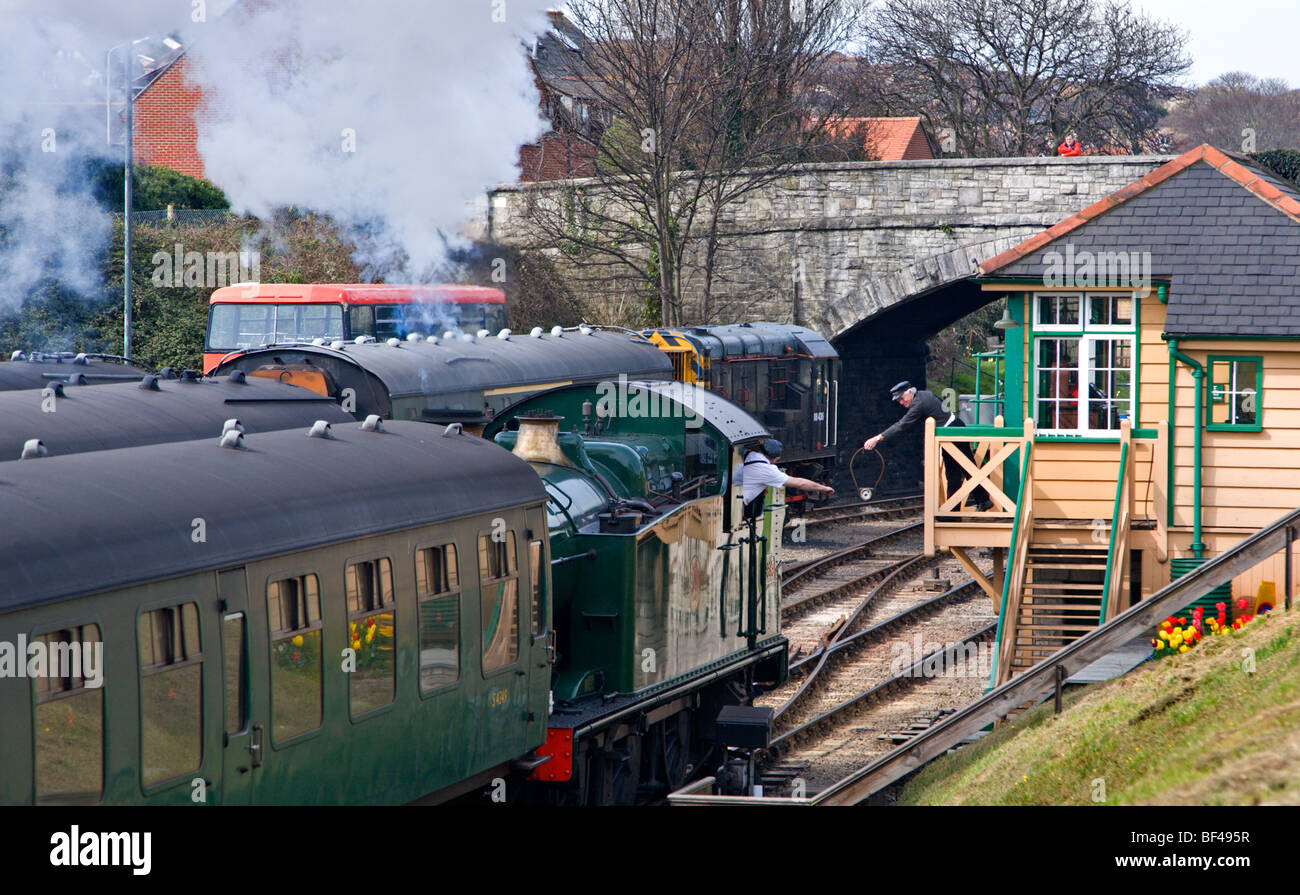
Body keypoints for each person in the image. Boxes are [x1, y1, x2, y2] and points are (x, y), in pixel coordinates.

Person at [863, 381, 991, 511]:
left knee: (954, 473)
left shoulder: (918, 404)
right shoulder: (925, 394)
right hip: (956, 426)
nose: (901, 402)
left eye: (902, 398)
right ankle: (982, 500)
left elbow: (901, 425)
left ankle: (954, 511)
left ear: (910, 392)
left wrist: (877, 438)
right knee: (966, 468)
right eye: (898, 400)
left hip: (951, 432)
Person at [738, 438, 833, 517]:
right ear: (774, 459)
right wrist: (823, 488)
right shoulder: (766, 469)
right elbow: (800, 483)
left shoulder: (747, 455)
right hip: (736, 509)